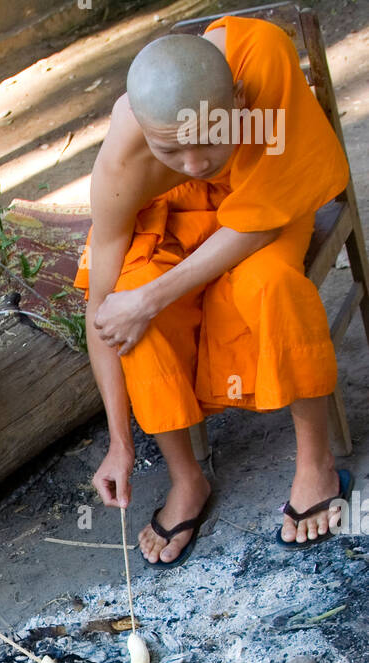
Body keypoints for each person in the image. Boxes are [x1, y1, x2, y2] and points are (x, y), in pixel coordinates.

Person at [75, 16, 351, 562]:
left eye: (209, 138)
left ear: (239, 101)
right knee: (131, 308)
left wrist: (152, 297)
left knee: (269, 283)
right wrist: (119, 443)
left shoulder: (261, 60)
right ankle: (187, 478)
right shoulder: (122, 166)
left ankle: (314, 463)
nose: (196, 163)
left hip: (260, 208)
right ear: (144, 130)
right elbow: (101, 309)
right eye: (171, 152)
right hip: (178, 221)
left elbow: (264, 218)